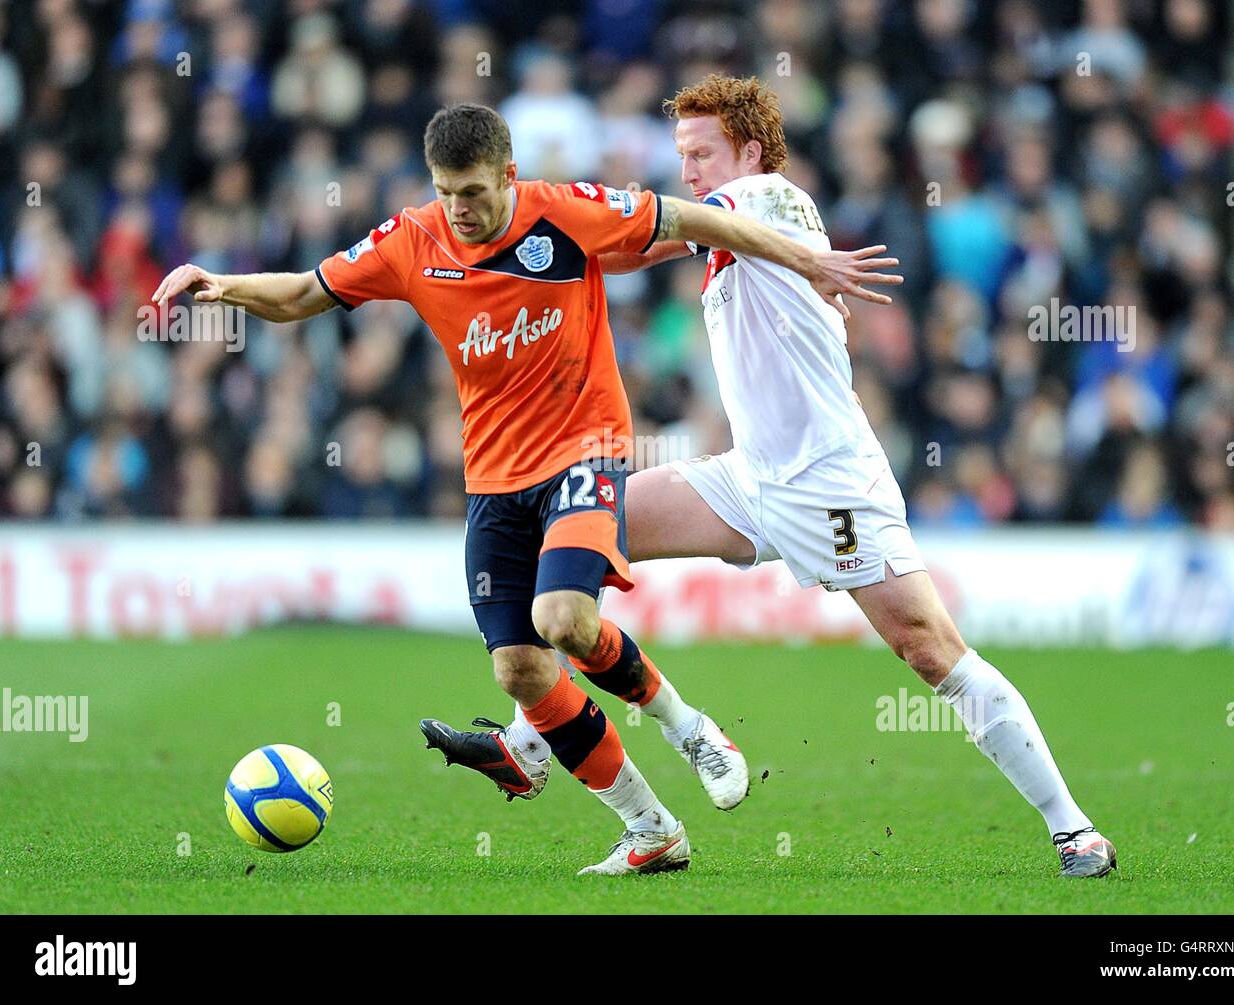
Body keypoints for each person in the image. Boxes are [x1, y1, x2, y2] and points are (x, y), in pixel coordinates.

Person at [152, 102, 903, 876]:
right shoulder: (412, 240)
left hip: (586, 450)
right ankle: (651, 827)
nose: (459, 209)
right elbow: (307, 293)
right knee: (520, 669)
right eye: (445, 191)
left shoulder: (567, 213)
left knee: (563, 618)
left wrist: (806, 259)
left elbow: (692, 220)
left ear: (509, 175)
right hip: (494, 479)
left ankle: (690, 728)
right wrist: (225, 286)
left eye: (473, 190)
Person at [441, 76, 1116, 879]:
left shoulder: (767, 198)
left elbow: (642, 234)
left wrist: (549, 215)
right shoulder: (726, 226)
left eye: (702, 154)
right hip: (748, 477)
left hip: (829, 480)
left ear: (751, 153)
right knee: (580, 532)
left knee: (928, 648)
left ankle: (1075, 829)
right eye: (681, 155)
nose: (687, 170)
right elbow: (630, 244)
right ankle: (531, 739)